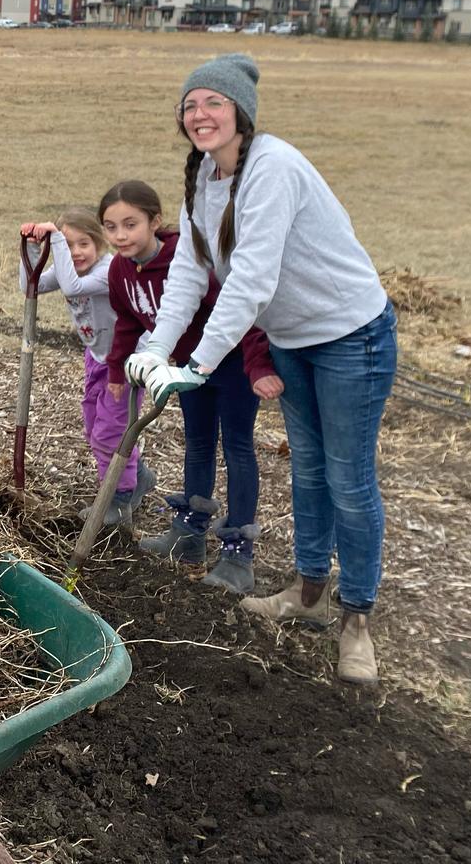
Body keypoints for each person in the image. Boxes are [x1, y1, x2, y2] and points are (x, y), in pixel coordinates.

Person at [124, 54, 396, 684]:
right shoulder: (204, 179)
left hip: (351, 336)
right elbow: (193, 270)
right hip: (292, 341)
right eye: (191, 106)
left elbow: (250, 278)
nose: (200, 115)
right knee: (307, 471)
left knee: (347, 480)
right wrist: (155, 349)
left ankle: (355, 617)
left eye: (214, 103)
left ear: (241, 112)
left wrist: (196, 362)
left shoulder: (271, 166)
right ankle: (306, 593)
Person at [98, 179, 281, 594]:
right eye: (110, 226)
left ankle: (237, 554)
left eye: (130, 224)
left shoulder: (186, 259)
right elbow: (127, 320)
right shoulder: (119, 270)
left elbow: (240, 310)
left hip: (230, 364)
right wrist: (115, 372)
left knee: (236, 446)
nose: (120, 235)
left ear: (155, 222)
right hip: (186, 370)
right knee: (197, 443)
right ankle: (189, 537)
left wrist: (257, 365)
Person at [19, 208, 153, 525]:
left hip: (128, 361)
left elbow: (73, 289)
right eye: (69, 244)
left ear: (99, 243)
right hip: (98, 356)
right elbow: (30, 285)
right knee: (95, 426)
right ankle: (138, 477)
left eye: (83, 244)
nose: (76, 252)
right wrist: (35, 246)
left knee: (109, 434)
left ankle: (118, 502)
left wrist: (58, 240)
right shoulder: (71, 269)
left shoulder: (110, 270)